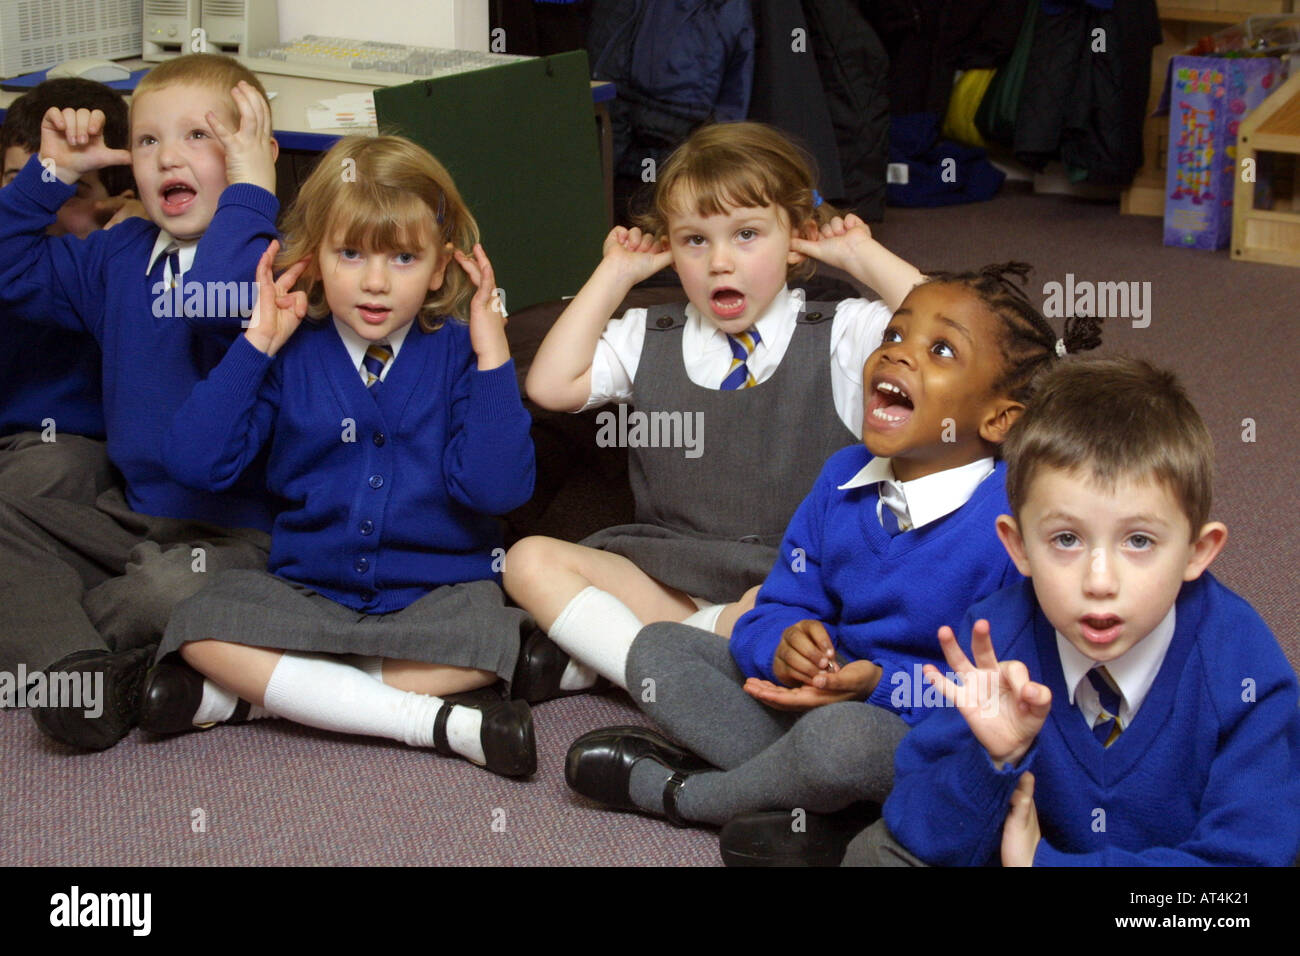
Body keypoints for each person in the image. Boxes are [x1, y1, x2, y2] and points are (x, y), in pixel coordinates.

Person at [564, 265, 1102, 857]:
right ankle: (819, 809)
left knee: (837, 744)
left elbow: (1015, 698)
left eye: (941, 349)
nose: (897, 356)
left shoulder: (1013, 526)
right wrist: (784, 644)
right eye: (893, 336)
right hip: (817, 705)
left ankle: (689, 795)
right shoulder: (841, 476)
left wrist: (878, 685)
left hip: (925, 736)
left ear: (999, 418)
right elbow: (777, 607)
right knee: (660, 649)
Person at [127, 136, 535, 777]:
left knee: (492, 641)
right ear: (314, 257)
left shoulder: (462, 352)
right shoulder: (292, 350)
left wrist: (492, 358)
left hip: (435, 599)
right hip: (306, 593)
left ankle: (267, 700)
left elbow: (497, 490)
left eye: (404, 258)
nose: (375, 282)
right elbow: (196, 464)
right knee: (199, 622)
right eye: (350, 253)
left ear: (439, 269)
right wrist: (256, 344)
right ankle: (423, 719)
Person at [504, 120, 924, 702]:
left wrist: (860, 254)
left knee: (804, 625)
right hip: (668, 572)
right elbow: (552, 386)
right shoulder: (650, 333)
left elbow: (952, 330)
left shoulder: (843, 332)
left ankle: (618, 660)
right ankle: (677, 664)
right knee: (527, 561)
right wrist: (615, 274)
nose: (719, 262)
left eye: (747, 234)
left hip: (785, 585)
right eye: (694, 240)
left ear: (797, 239)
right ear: (670, 249)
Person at [846, 356, 1300, 866]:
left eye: (1139, 541)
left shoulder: (1244, 668)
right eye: (1066, 539)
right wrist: (995, 757)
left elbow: (1242, 873)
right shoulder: (994, 640)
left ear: (1197, 551)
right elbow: (921, 829)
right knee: (875, 852)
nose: (1099, 582)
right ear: (1018, 547)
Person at [0, 54, 282, 746]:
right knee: (8, 519)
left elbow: (220, 303)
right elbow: (10, 267)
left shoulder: (282, 260)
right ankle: (81, 670)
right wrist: (52, 174)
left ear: (253, 156)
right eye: (149, 141)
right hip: (133, 517)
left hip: (244, 533)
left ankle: (50, 638)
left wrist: (253, 190)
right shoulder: (117, 255)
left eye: (200, 136)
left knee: (167, 591)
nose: (167, 158)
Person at [0, 78, 141, 503]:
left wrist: (143, 227)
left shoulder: (114, 261)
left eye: (68, 189)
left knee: (47, 474)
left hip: (66, 447)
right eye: (19, 183)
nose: (42, 209)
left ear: (119, 204)